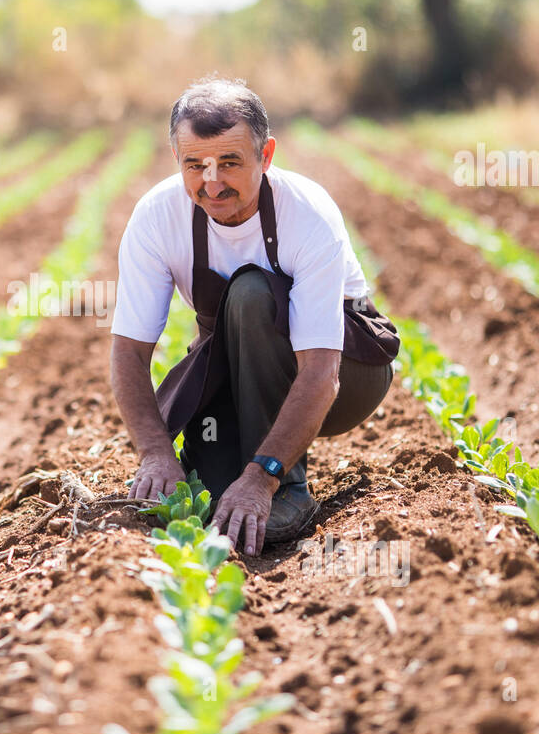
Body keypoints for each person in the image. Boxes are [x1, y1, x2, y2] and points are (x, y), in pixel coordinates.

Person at [109, 76, 399, 555]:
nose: (212, 182)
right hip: (238, 369)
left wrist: (263, 477)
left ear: (265, 156)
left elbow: (322, 375)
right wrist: (156, 451)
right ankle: (242, 467)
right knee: (209, 494)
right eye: (194, 165)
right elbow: (128, 352)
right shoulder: (157, 217)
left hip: (348, 371)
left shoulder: (305, 214)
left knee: (249, 294)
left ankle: (289, 488)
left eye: (229, 162)